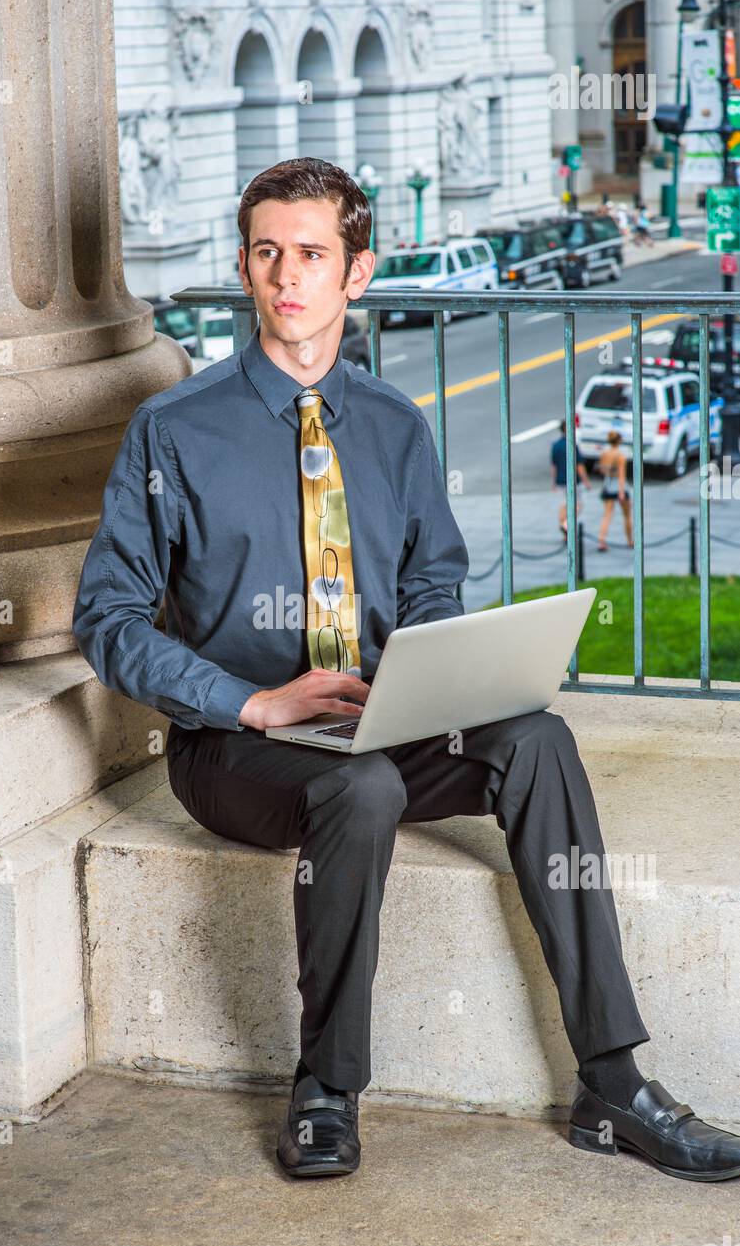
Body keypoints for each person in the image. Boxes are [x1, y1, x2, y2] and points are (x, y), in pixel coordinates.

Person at [73, 157, 740, 1184]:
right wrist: (251, 700)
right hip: (236, 748)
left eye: (310, 255)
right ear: (244, 267)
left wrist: (427, 672)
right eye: (265, 254)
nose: (285, 277)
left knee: (536, 741)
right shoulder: (174, 429)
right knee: (361, 783)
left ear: (357, 273)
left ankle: (613, 1078)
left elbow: (433, 581)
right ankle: (326, 1087)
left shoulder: (394, 425)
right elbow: (107, 620)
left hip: (380, 718)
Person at [550, 418, 590, 538]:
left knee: (564, 503)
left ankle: (564, 527)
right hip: (573, 480)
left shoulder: (555, 445)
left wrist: (553, 482)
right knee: (578, 504)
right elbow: (579, 466)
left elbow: (553, 465)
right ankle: (566, 524)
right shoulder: (573, 445)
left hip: (560, 480)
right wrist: (586, 481)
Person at [597, 430, 633, 551]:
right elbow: (622, 475)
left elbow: (602, 470)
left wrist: (610, 472)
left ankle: (601, 539)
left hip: (608, 484)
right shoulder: (620, 456)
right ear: (619, 441)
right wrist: (621, 492)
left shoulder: (605, 453)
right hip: (618, 487)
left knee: (607, 514)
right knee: (627, 515)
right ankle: (629, 540)